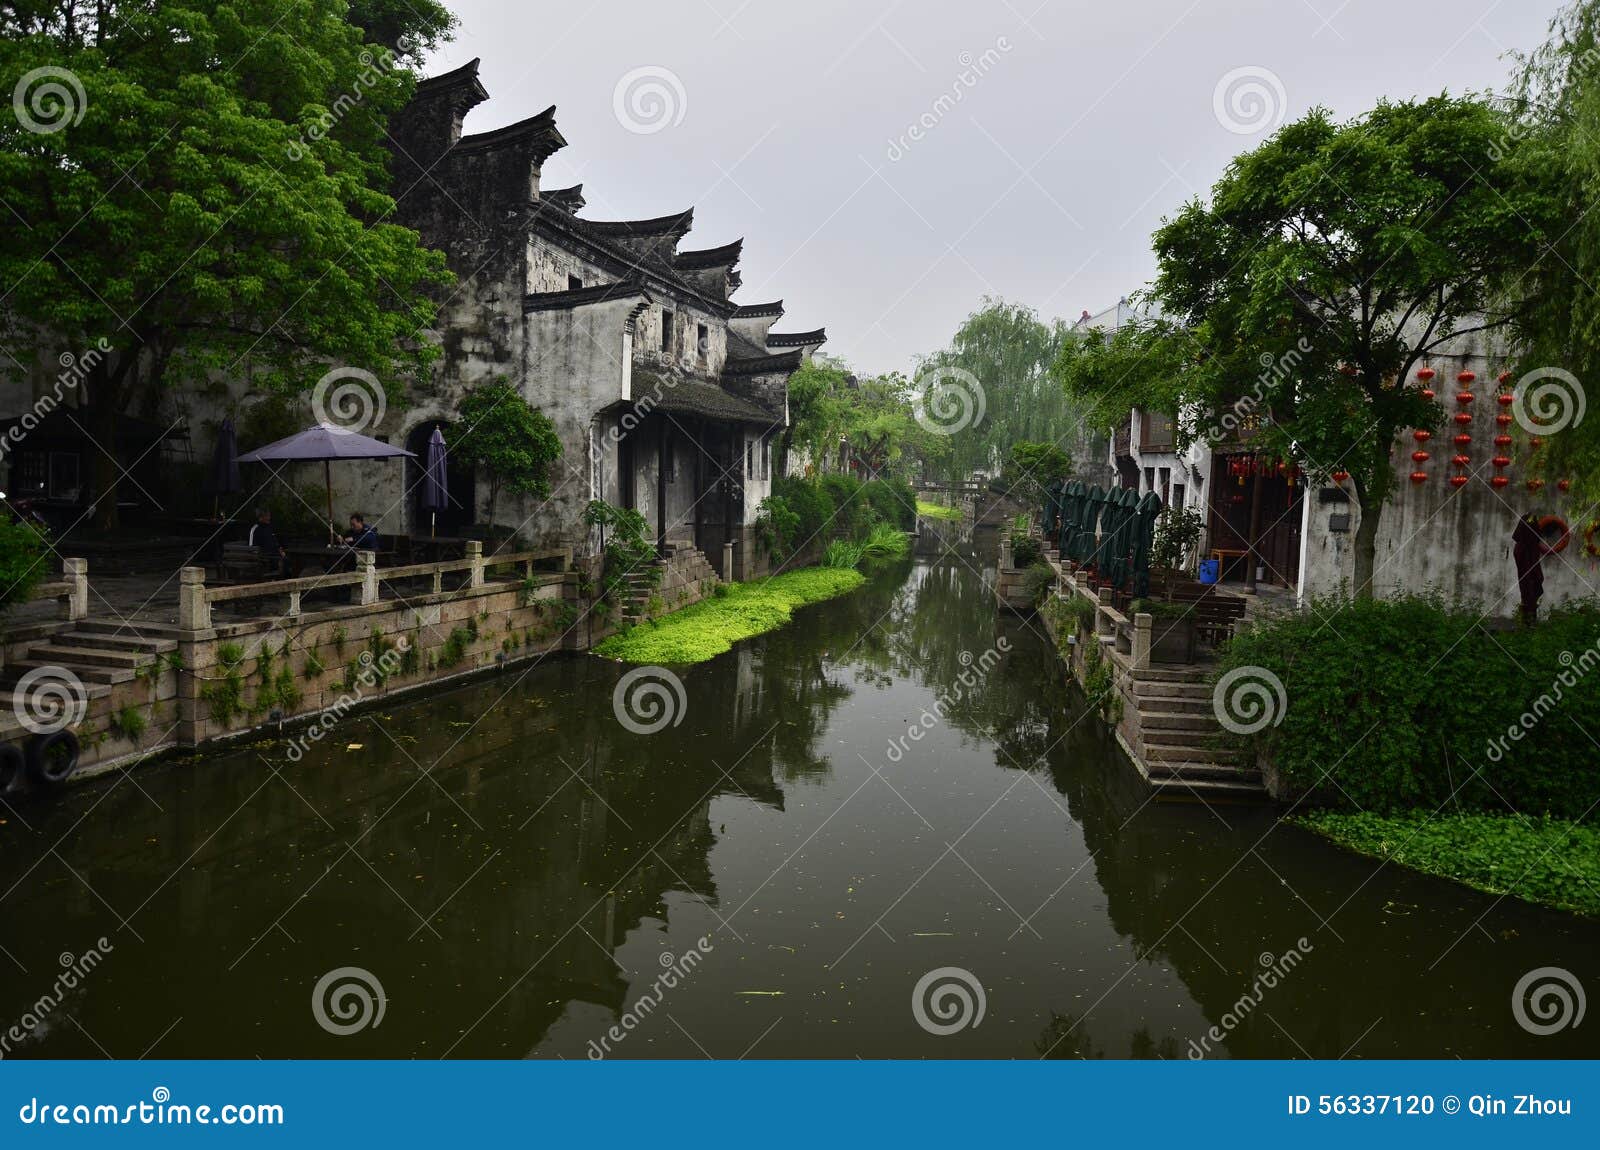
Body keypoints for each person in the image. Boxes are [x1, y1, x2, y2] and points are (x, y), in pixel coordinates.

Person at [1512, 512, 1551, 626]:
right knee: (1529, 596)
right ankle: (1528, 623)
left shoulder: (1521, 546)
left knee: (1528, 596)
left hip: (1527, 579)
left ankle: (1528, 623)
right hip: (1528, 578)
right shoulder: (1526, 547)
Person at [248, 508, 291, 577]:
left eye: (269, 516)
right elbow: (252, 548)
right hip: (264, 558)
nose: (269, 518)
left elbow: (274, 542)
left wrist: (280, 550)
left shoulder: (269, 527)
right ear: (261, 517)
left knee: (287, 560)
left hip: (273, 556)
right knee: (284, 563)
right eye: (267, 516)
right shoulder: (255, 529)